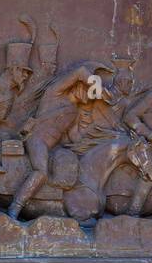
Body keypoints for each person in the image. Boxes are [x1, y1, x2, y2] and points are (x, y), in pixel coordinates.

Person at [8, 61, 115, 219]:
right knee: (41, 172)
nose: (89, 95)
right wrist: (99, 88)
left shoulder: (73, 111)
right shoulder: (54, 94)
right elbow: (79, 70)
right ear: (78, 85)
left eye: (92, 93)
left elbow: (71, 137)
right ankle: (14, 208)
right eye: (88, 89)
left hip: (50, 146)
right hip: (37, 140)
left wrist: (96, 141)